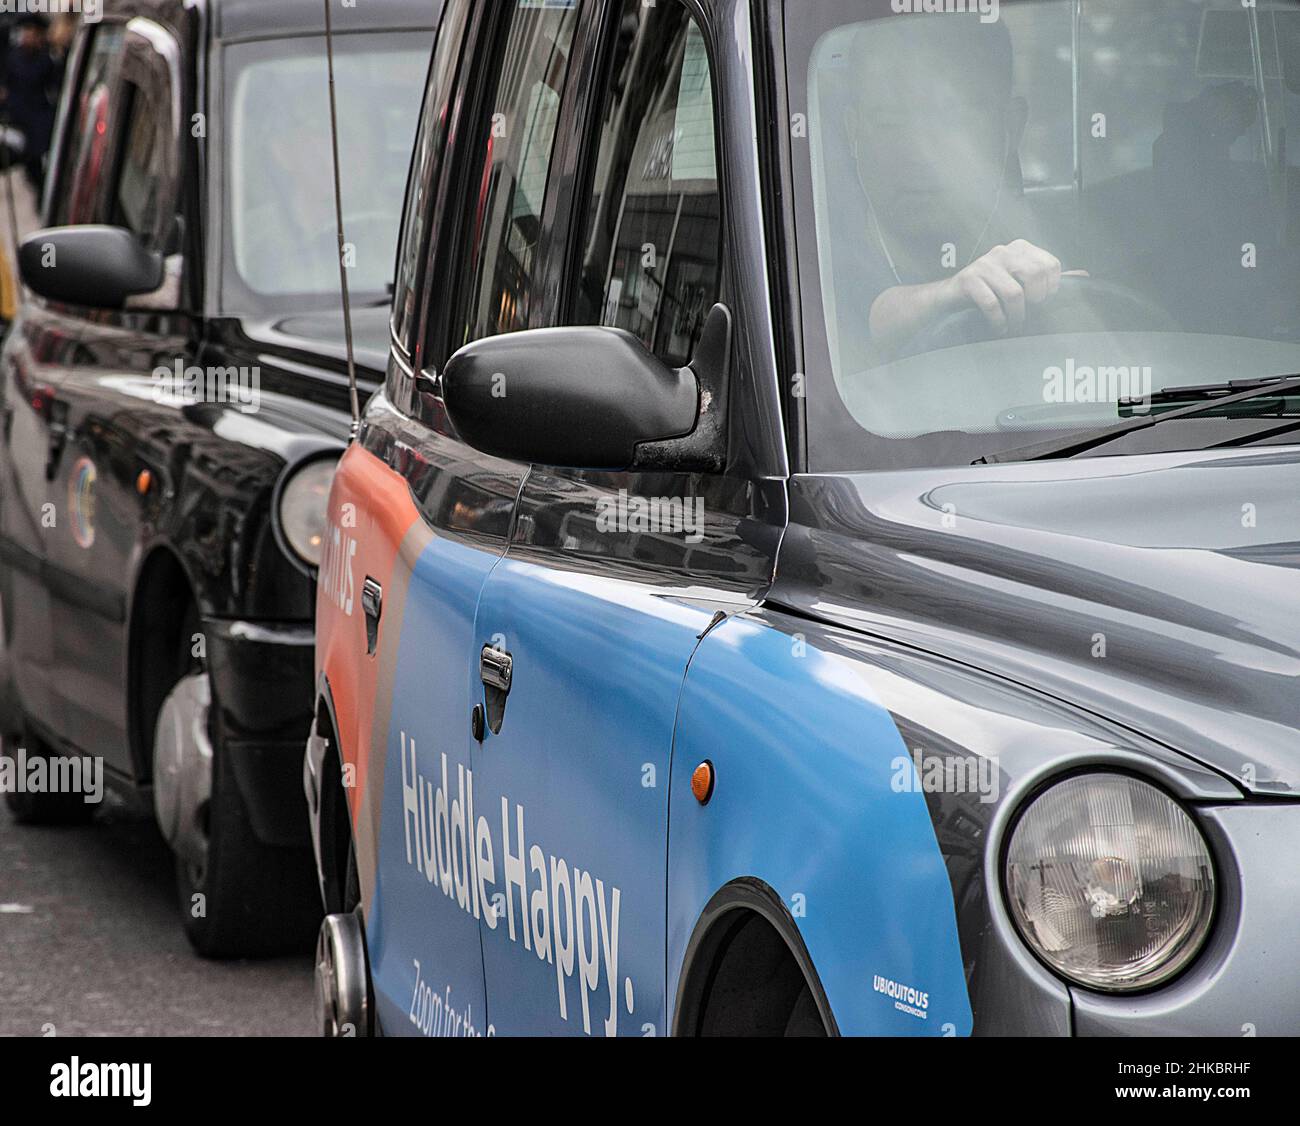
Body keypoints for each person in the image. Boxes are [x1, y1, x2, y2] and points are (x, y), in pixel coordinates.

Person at [845, 16, 1073, 356]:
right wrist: (952, 293)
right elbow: (845, 332)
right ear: (853, 132)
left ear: (1011, 125)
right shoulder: (803, 252)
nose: (918, 154)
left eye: (951, 122)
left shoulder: (1072, 243)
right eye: (890, 122)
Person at [4, 14, 60, 193]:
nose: (27, 36)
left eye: (32, 32)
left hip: (39, 118)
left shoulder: (47, 59)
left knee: (37, 164)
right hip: (16, 117)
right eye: (25, 32)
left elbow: (54, 87)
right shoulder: (12, 58)